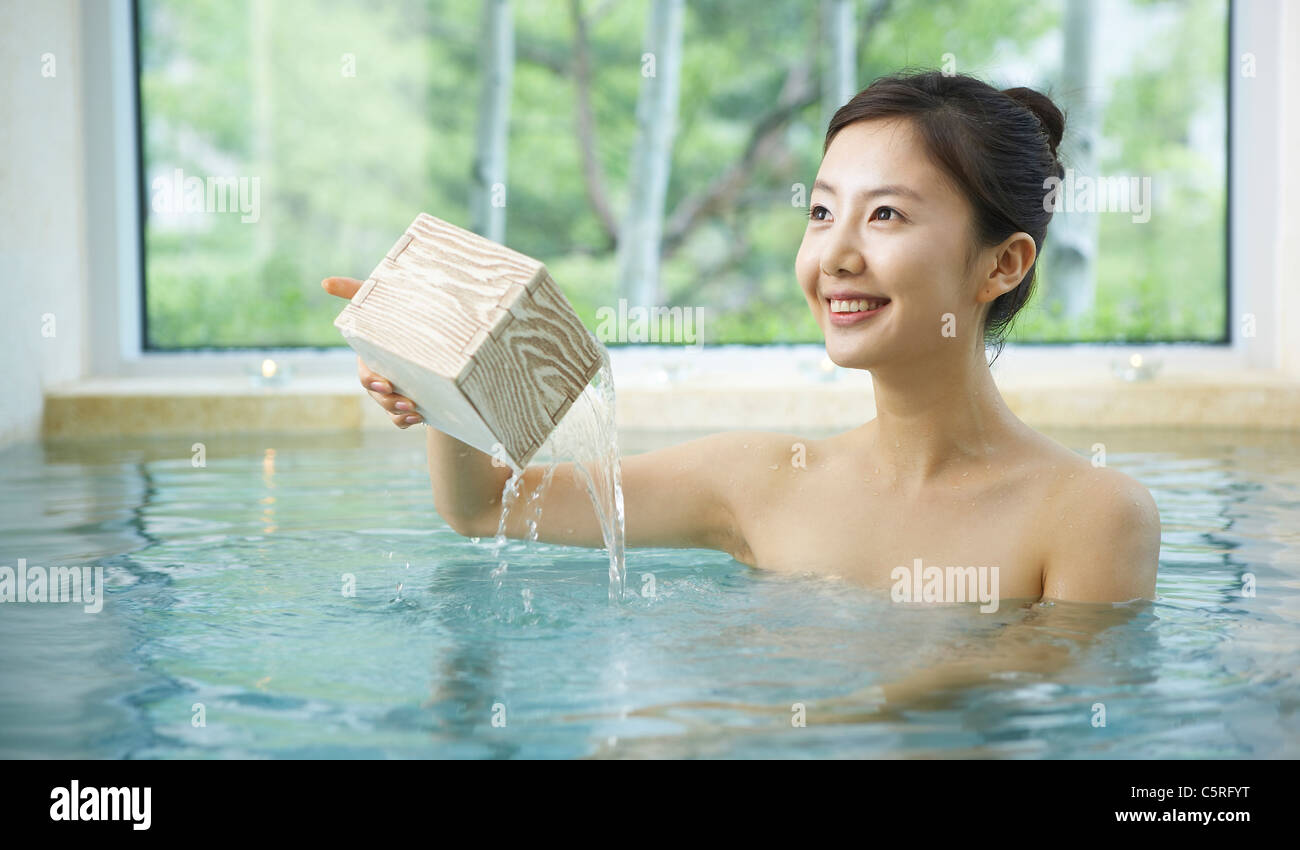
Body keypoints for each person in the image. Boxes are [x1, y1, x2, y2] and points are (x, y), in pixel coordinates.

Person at [322, 69, 1160, 606]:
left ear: (1002, 265)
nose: (835, 255)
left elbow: (1049, 701)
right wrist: (440, 372)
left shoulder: (1087, 513)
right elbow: (482, 508)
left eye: (886, 215)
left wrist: (759, 720)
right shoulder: (756, 481)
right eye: (821, 211)